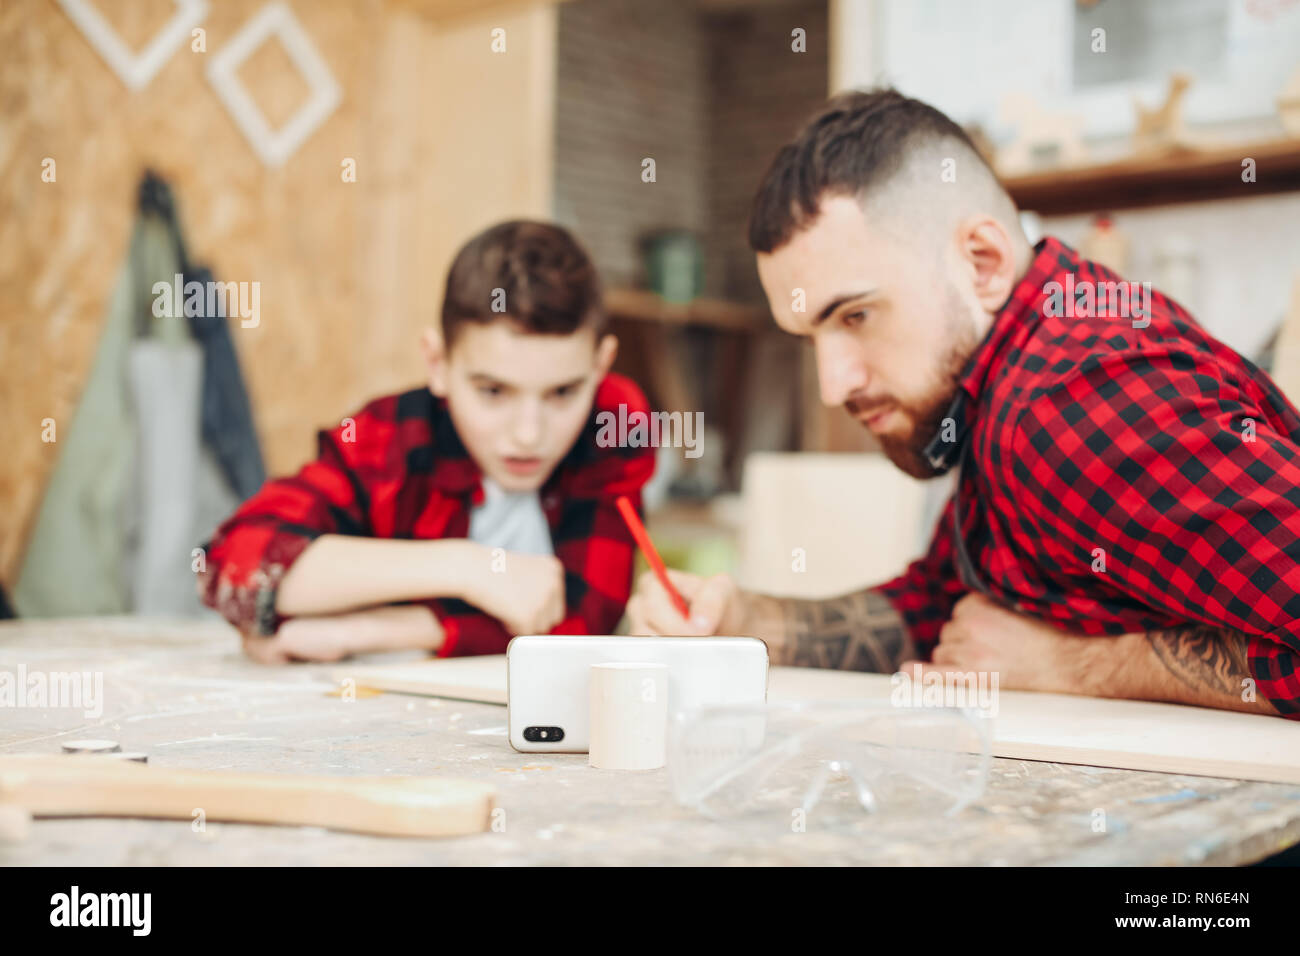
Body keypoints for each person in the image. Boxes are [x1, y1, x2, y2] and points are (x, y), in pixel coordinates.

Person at [628, 88, 1300, 719]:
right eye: (813, 338)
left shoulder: (1064, 403)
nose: (833, 385)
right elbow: (939, 615)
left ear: (982, 262)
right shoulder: (1000, 388)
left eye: (857, 316)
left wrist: (1075, 668)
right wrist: (747, 622)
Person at [200, 221, 654, 663]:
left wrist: (365, 630)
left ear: (601, 364)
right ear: (437, 363)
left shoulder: (612, 423)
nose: (528, 434)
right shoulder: (387, 436)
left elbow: (586, 615)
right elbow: (236, 565)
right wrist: (468, 568)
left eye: (562, 393)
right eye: (493, 392)